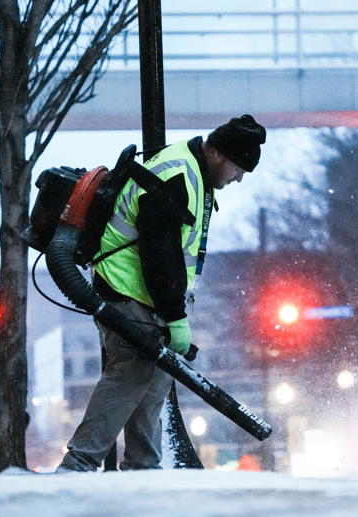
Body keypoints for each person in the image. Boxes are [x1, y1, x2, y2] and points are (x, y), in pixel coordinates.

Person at [57, 115, 266, 472]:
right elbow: (160, 255)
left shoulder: (191, 172)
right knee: (132, 373)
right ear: (217, 154)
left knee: (153, 381)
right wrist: (175, 317)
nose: (239, 178)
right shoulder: (179, 176)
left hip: (140, 295)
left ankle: (144, 468)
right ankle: (78, 463)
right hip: (127, 290)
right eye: (239, 167)